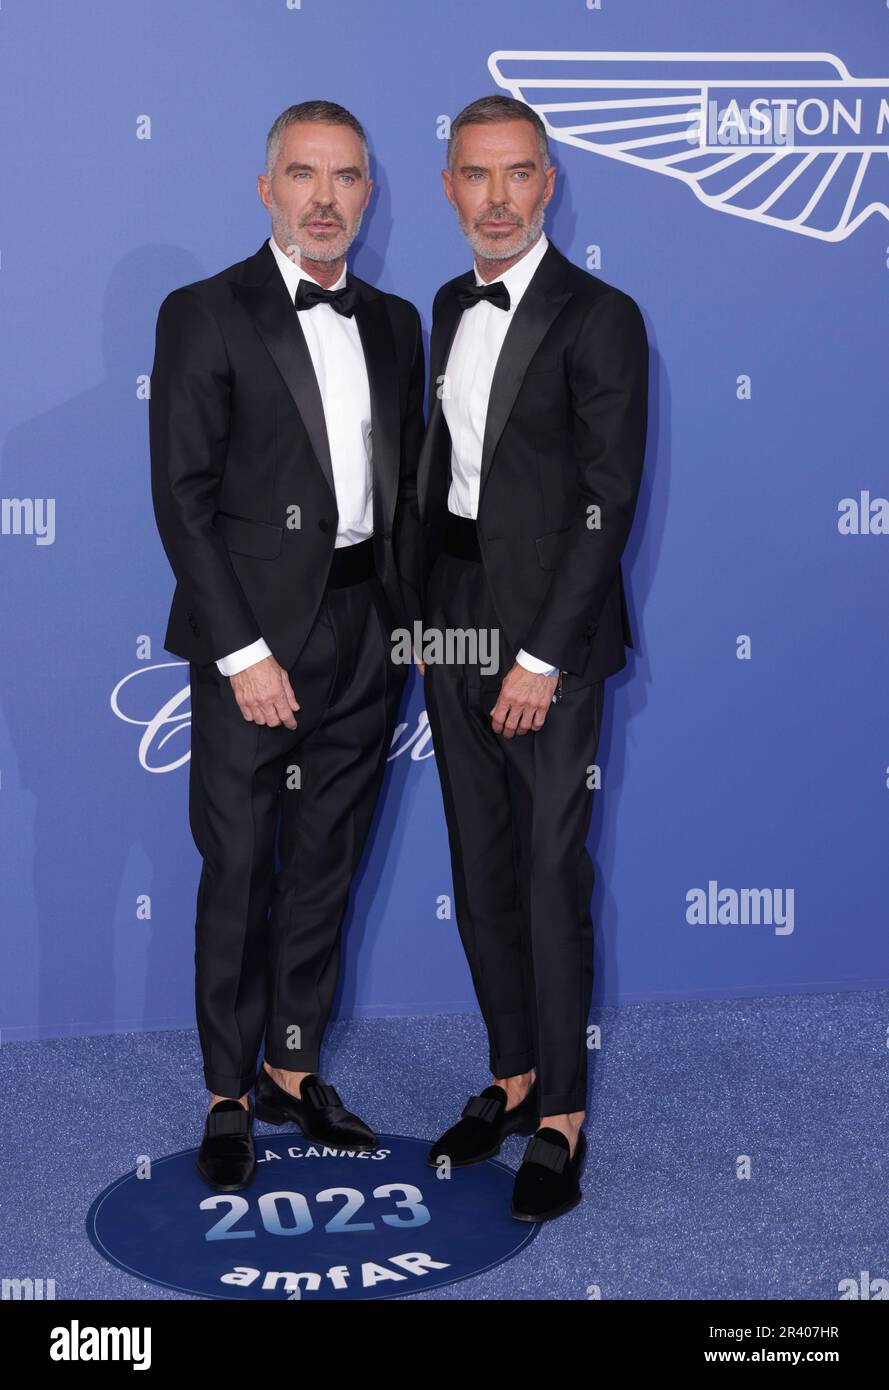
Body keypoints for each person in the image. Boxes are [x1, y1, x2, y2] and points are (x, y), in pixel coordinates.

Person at [149, 101, 424, 1192]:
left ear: (367, 193)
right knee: (237, 865)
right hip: (251, 643)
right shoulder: (203, 312)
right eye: (303, 174)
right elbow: (184, 498)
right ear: (267, 190)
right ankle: (225, 1091)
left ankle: (288, 1065)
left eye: (346, 176)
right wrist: (242, 652)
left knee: (325, 863)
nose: (324, 196)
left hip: (368, 630)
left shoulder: (397, 321)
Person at [419, 95, 649, 1221]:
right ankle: (509, 1074)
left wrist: (543, 655)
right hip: (450, 611)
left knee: (551, 871)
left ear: (547, 184)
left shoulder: (601, 315)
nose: (497, 198)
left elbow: (609, 503)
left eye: (518, 175)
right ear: (450, 187)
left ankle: (561, 1111)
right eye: (477, 175)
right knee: (480, 863)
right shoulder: (445, 303)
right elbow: (442, 478)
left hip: (546, 632)